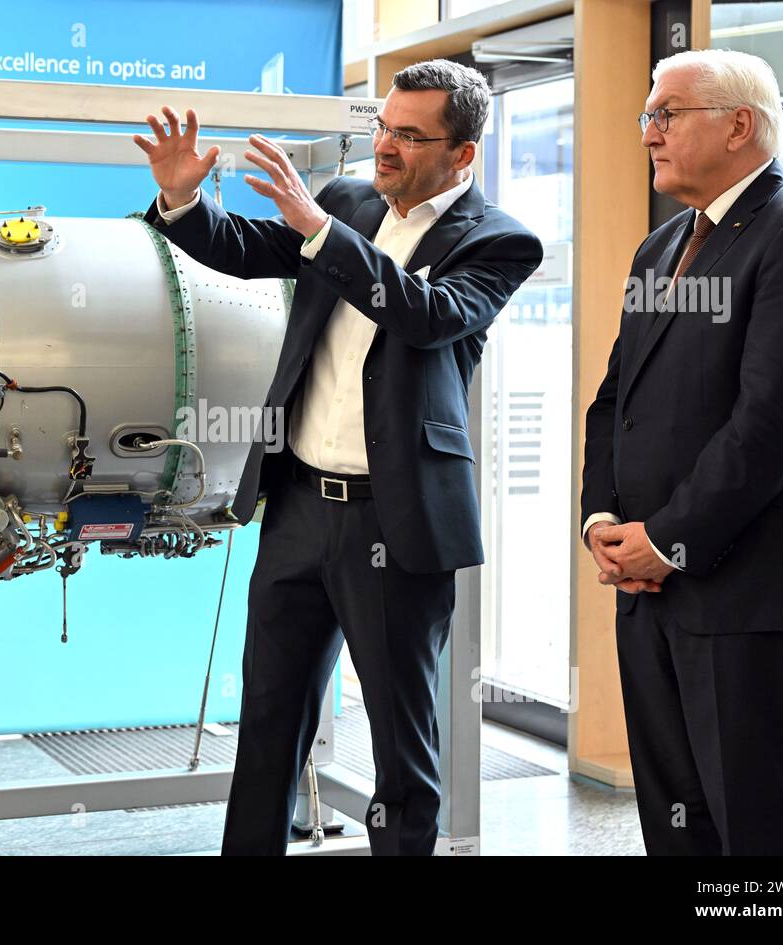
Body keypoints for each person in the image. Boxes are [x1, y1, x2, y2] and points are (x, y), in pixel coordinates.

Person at [133, 59, 542, 855]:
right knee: (268, 726)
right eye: (383, 128)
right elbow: (240, 247)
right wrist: (183, 199)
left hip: (397, 522)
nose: (386, 147)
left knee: (400, 749)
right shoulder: (351, 201)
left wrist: (320, 232)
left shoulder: (499, 240)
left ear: (463, 154)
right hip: (295, 509)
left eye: (410, 135)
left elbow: (425, 314)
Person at [581, 48, 783, 855]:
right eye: (646, 116)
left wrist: (667, 539)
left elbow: (771, 427)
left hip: (744, 594)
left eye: (665, 114)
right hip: (645, 591)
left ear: (739, 125)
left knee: (758, 832)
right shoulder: (659, 246)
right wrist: (603, 520)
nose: (648, 134)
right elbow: (615, 404)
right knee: (676, 823)